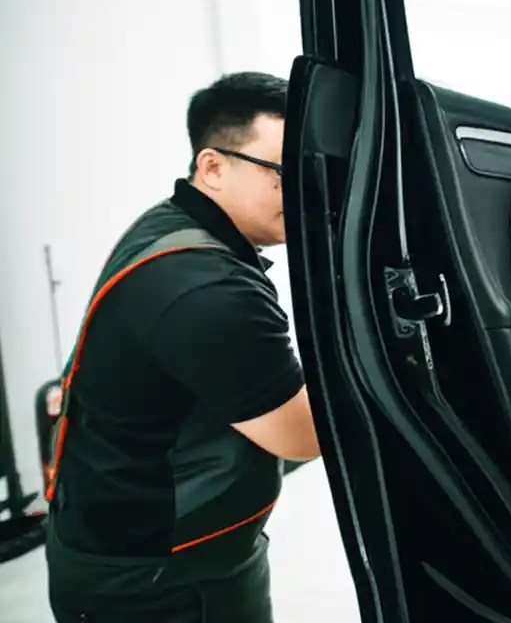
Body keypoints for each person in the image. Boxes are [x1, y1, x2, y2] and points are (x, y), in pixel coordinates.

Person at [43, 71, 320, 623]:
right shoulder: (205, 283)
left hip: (133, 543)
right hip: (155, 579)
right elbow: (302, 435)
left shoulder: (171, 227)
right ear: (212, 166)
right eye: (283, 173)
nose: (305, 191)